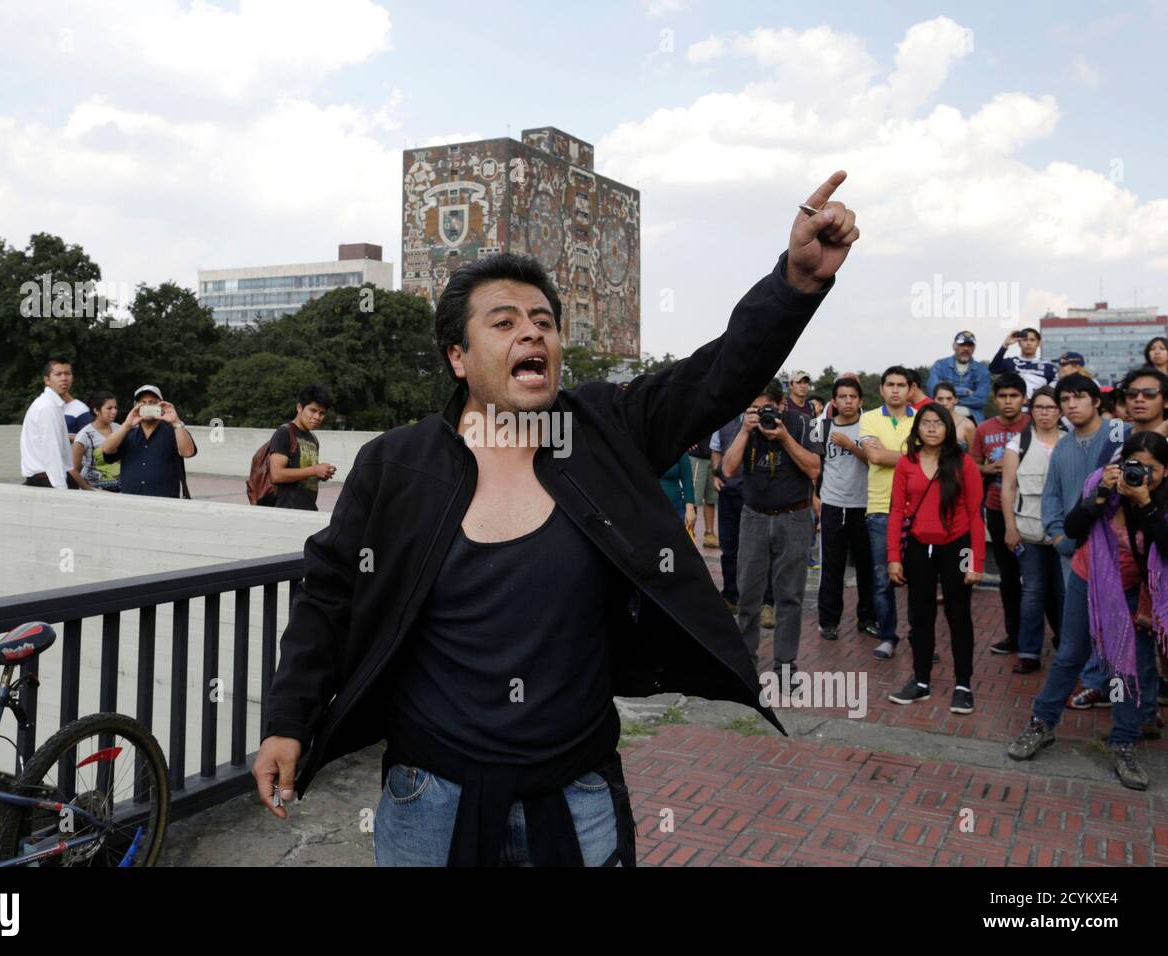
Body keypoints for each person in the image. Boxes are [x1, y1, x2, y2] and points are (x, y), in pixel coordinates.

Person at [253, 174, 860, 868]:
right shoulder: (396, 465)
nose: (531, 332)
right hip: (431, 798)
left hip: (577, 793)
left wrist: (796, 283)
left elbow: (716, 373)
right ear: (458, 355)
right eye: (504, 321)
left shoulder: (603, 429)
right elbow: (328, 592)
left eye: (543, 320)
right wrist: (288, 719)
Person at [1008, 430, 1168, 791]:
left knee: (1126, 666)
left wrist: (1145, 502)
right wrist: (1099, 496)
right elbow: (1073, 528)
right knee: (1070, 655)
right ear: (1119, 464)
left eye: (1151, 469)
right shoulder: (1102, 482)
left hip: (1133, 590)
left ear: (1166, 471)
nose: (1140, 474)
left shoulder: (1162, 500)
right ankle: (1042, 723)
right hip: (1089, 576)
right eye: (1134, 466)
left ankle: (1123, 741)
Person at [886, 402, 985, 713]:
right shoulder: (906, 463)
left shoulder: (963, 463)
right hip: (917, 547)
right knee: (920, 615)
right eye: (925, 422)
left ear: (948, 429)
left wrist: (975, 562)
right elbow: (896, 511)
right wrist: (893, 557)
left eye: (937, 423)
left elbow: (974, 515)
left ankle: (963, 684)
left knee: (958, 615)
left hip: (957, 545)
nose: (931, 428)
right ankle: (921, 681)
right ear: (917, 429)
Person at [723, 384, 823, 686]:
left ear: (781, 405)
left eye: (764, 407)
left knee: (789, 595)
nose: (759, 413)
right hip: (754, 516)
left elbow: (814, 469)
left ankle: (784, 663)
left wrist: (783, 437)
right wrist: (744, 430)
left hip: (794, 516)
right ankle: (746, 659)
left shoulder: (804, 424)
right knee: (748, 591)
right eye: (752, 408)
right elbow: (728, 470)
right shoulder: (745, 427)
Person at [1041, 374, 1125, 708]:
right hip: (1074, 546)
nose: (1071, 405)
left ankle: (1121, 690)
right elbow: (1052, 496)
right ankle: (1093, 682)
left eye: (1078, 397)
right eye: (1065, 400)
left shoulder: (1117, 433)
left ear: (1095, 400)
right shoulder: (1062, 445)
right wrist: (1058, 535)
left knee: (1117, 617)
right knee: (1080, 619)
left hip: (1115, 545)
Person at [1000, 386, 1064, 672]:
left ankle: (1069, 646)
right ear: (1032, 410)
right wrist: (1009, 528)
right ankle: (1029, 652)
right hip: (1029, 530)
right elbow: (1008, 489)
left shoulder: (1072, 442)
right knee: (1033, 592)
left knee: (1065, 593)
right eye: (1040, 407)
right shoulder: (1018, 444)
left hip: (1065, 534)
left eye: (1051, 407)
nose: (1045, 413)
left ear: (1060, 411)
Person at [858, 366, 916, 660]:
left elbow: (932, 457)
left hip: (918, 508)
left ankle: (920, 636)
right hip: (881, 508)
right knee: (882, 577)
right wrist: (913, 455)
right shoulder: (868, 418)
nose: (895, 389)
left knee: (920, 578)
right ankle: (887, 636)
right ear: (881, 389)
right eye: (890, 384)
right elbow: (875, 456)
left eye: (901, 385)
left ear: (910, 389)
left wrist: (892, 456)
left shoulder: (922, 420)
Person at [971, 373, 1031, 655]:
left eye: (1014, 396)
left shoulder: (1034, 424)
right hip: (996, 507)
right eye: (1003, 396)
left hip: (1032, 510)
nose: (1008, 401)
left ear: (1024, 398)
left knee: (1038, 577)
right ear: (995, 400)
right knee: (1008, 576)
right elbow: (971, 464)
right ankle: (1014, 634)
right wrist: (986, 469)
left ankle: (1049, 635)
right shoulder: (983, 429)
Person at [815, 376, 876, 640]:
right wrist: (814, 499)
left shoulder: (870, 427)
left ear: (860, 401)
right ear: (834, 401)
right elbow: (813, 467)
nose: (848, 401)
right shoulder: (821, 427)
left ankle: (868, 618)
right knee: (832, 567)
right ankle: (828, 622)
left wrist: (851, 446)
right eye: (842, 397)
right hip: (832, 504)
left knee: (867, 566)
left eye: (852, 397)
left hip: (864, 505)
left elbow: (875, 460)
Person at [100, 384, 198, 497]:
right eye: (143, 403)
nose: (147, 406)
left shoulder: (174, 431)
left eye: (152, 402)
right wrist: (127, 424)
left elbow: (188, 452)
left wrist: (176, 421)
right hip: (131, 501)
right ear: (135, 406)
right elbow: (107, 450)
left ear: (161, 405)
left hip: (165, 504)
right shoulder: (128, 434)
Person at [20, 357, 86, 490]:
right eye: (58, 374)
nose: (64, 378)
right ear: (47, 380)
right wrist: (61, 489)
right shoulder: (47, 407)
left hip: (51, 477)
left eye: (67, 373)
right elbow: (52, 452)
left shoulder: (53, 405)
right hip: (48, 480)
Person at [268, 385, 336, 511]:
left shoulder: (313, 439)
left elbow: (304, 474)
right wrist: (314, 470)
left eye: (322, 413)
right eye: (313, 410)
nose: (317, 417)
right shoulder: (285, 433)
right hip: (287, 510)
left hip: (308, 508)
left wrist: (320, 474)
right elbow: (276, 474)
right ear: (299, 408)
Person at [711, 418, 744, 610]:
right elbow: (717, 451)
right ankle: (731, 595)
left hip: (755, 495)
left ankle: (765, 601)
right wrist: (716, 475)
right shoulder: (725, 420)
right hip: (728, 493)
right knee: (729, 547)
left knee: (757, 550)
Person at [928, 331, 992, 423]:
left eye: (969, 345)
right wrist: (965, 391)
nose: (966, 348)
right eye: (962, 344)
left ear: (974, 348)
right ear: (954, 346)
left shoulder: (983, 371)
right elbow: (933, 392)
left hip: (972, 419)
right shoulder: (940, 366)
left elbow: (982, 400)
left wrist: (948, 399)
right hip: (943, 418)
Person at [72, 391, 121, 492]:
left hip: (119, 491)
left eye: (115, 407)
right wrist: (89, 491)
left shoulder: (119, 429)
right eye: (109, 408)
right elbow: (73, 470)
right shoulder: (84, 435)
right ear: (96, 410)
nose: (114, 411)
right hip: (94, 491)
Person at [989, 328, 1056, 400]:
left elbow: (1054, 391)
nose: (1028, 343)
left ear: (1039, 343)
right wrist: (1005, 345)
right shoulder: (1011, 362)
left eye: (1032, 340)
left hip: (1037, 408)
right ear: (1019, 343)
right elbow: (993, 368)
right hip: (1014, 407)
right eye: (1025, 340)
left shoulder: (1048, 366)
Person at [687, 434, 720, 549]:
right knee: (694, 499)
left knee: (711, 498)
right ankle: (690, 531)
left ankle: (709, 533)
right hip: (697, 457)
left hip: (715, 455)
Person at [660, 453, 697, 536]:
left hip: (675, 509)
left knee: (671, 547)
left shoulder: (677, 449)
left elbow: (687, 480)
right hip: (648, 508)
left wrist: (690, 509)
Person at [933, 382, 977, 450]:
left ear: (956, 400)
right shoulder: (927, 422)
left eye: (949, 398)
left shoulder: (967, 425)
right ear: (933, 400)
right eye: (940, 399)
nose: (944, 403)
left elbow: (974, 456)